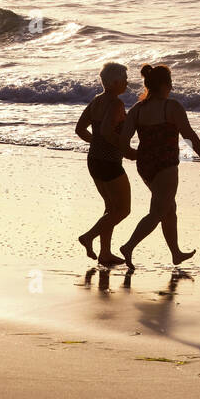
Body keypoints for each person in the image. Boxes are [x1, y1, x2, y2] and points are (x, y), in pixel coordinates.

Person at [116, 63, 200, 269]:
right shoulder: (171, 107)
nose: (171, 87)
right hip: (166, 165)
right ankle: (129, 246)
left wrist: (132, 154)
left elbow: (123, 140)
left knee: (169, 208)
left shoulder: (137, 109)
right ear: (164, 85)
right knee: (158, 211)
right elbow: (188, 134)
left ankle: (176, 253)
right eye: (170, 83)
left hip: (145, 165)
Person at [74, 62, 138, 267]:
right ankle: (89, 236)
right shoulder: (115, 104)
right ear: (115, 82)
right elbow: (108, 132)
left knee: (110, 208)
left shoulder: (96, 101)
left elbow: (80, 129)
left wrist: (97, 143)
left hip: (94, 160)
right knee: (123, 210)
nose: (127, 83)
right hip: (110, 162)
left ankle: (105, 253)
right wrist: (126, 151)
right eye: (124, 79)